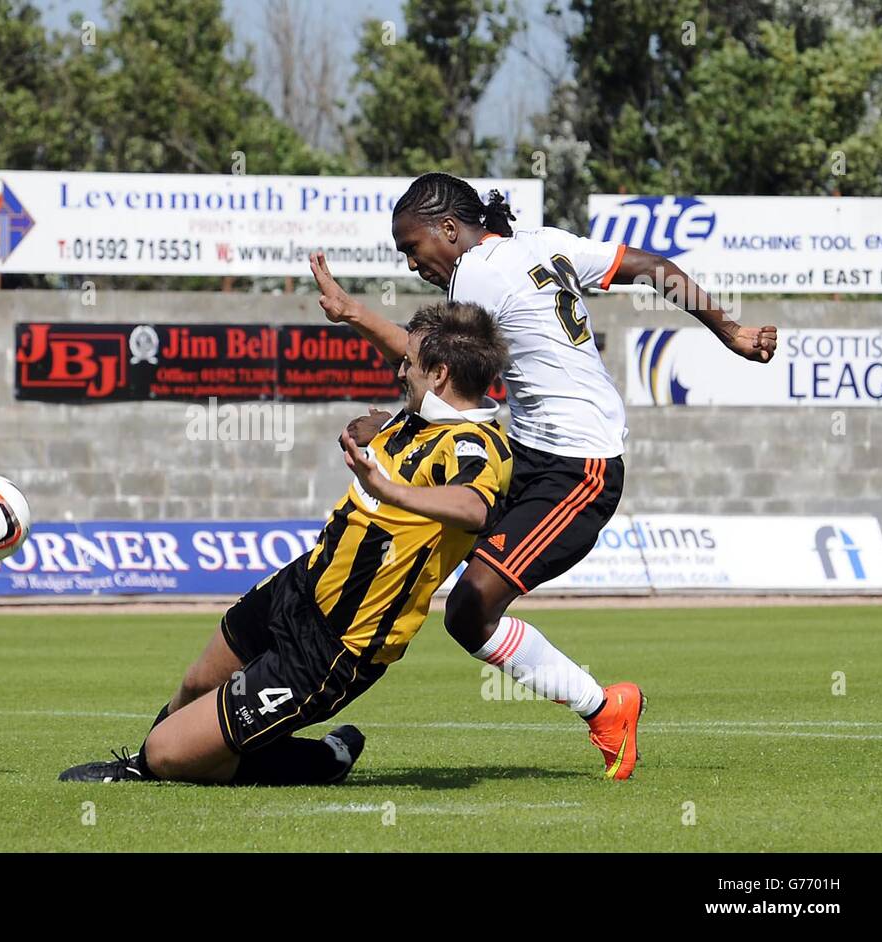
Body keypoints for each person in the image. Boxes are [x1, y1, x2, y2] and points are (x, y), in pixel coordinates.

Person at [309, 171, 779, 779]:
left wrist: (355, 320)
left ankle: (606, 708)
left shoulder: (476, 271)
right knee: (426, 562)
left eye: (412, 247)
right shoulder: (541, 243)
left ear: (450, 230)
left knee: (471, 608)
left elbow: (427, 366)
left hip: (576, 467)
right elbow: (652, 266)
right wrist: (731, 331)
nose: (410, 263)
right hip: (529, 452)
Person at [59, 300, 512, 784]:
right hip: (298, 587)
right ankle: (146, 761)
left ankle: (319, 761)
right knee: (195, 683)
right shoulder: (416, 417)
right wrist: (352, 322)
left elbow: (474, 507)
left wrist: (388, 489)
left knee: (170, 754)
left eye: (410, 360)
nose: (400, 367)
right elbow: (401, 403)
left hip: (337, 644)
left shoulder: (476, 445)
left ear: (440, 374)